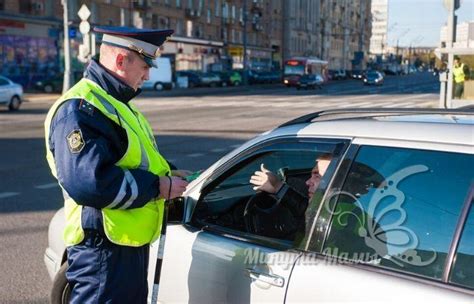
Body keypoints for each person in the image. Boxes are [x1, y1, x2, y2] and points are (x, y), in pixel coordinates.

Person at [44, 26, 190, 303]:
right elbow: (91, 183)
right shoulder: (81, 108)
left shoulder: (114, 103)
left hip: (123, 244)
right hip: (102, 248)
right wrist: (158, 186)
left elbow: (133, 158)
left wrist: (169, 172)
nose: (148, 74)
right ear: (121, 61)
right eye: (145, 65)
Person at [248, 154, 333, 239]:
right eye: (311, 176)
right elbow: (306, 210)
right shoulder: (333, 209)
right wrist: (278, 186)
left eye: (317, 176)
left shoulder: (336, 225)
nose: (307, 182)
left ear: (336, 181)